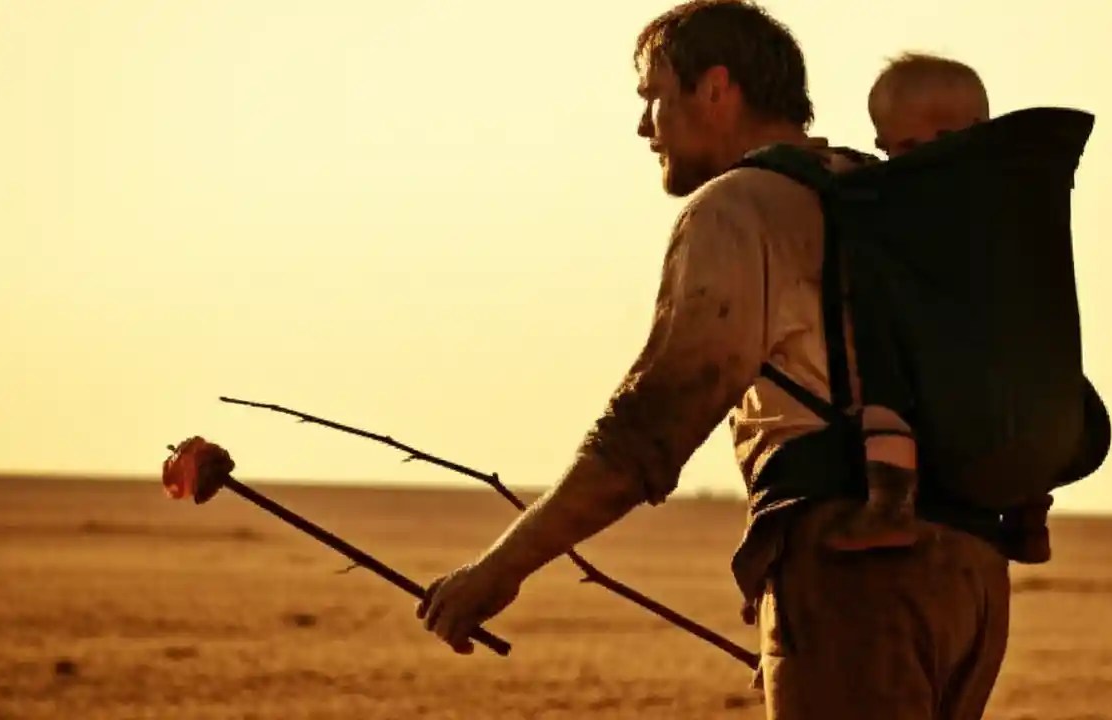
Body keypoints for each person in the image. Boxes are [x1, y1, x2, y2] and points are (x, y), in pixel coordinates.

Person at [416, 2, 1011, 717]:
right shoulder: (885, 191)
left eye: (654, 98)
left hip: (856, 564)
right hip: (971, 574)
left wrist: (499, 571)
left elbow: (650, 426)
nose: (645, 126)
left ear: (717, 89)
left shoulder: (740, 208)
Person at [856, 51, 1055, 564]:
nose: (890, 164)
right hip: (1034, 398)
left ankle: (888, 506)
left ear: (941, 146)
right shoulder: (1016, 197)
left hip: (946, 388)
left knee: (883, 360)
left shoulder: (924, 201)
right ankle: (1030, 514)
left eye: (899, 150)